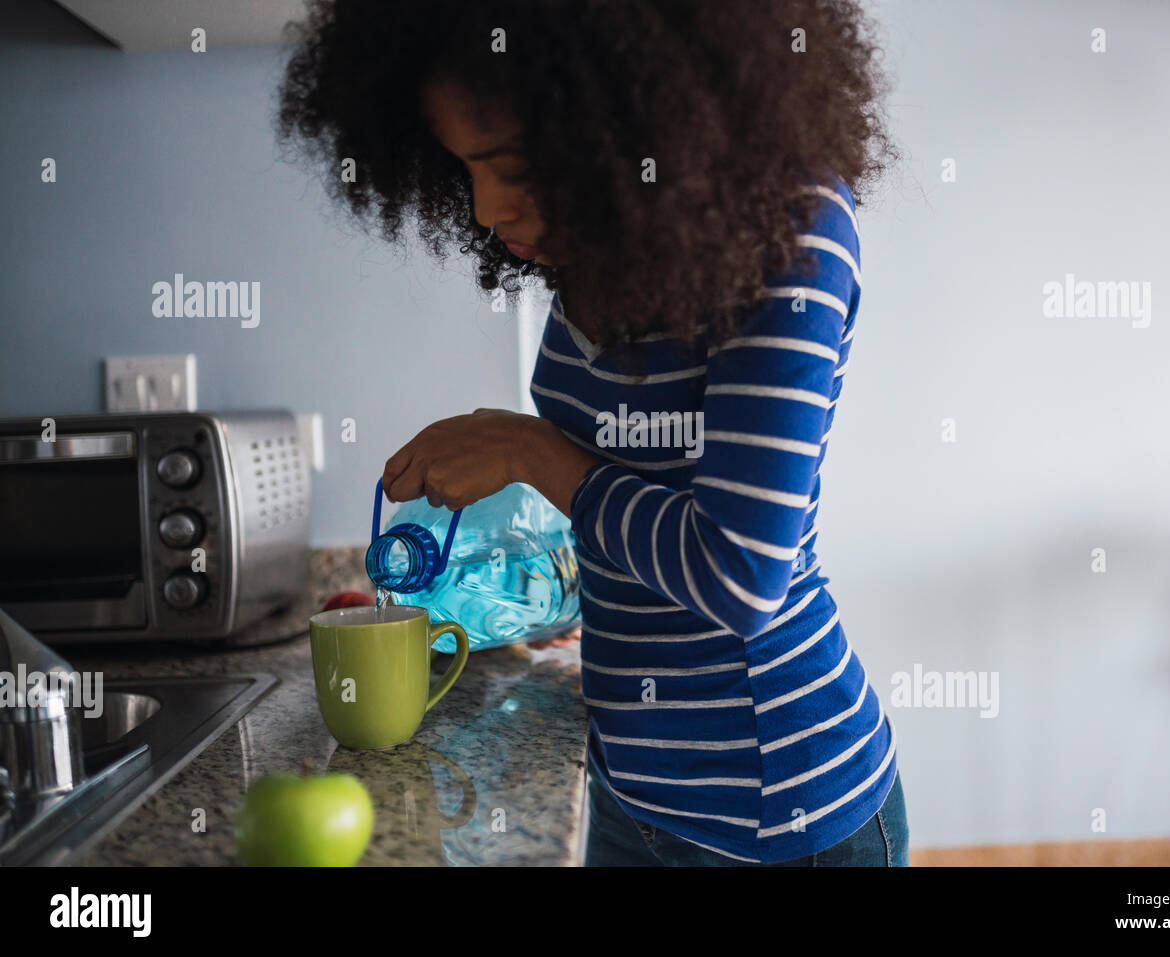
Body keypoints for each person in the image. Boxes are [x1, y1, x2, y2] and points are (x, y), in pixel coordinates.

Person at [278, 0, 906, 866]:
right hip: (623, 786)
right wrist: (545, 599)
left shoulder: (790, 232)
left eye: (514, 164)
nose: (487, 206)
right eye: (464, 166)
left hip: (778, 810)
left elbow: (742, 574)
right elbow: (627, 487)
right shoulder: (605, 244)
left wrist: (530, 450)